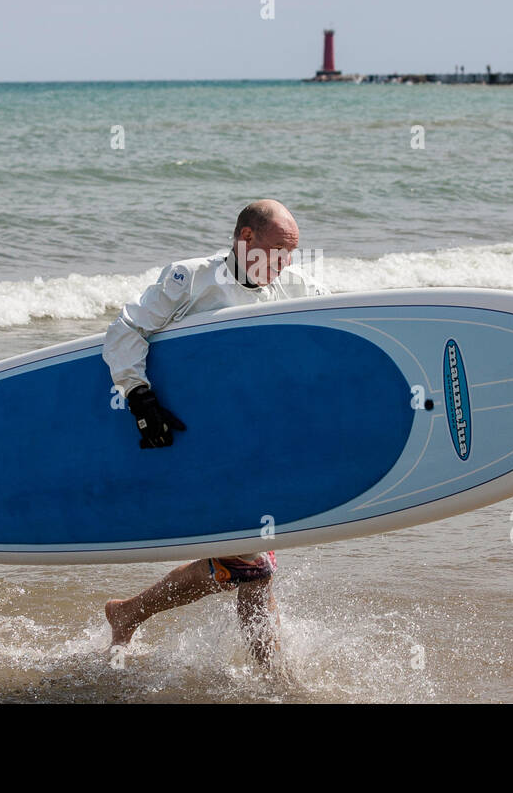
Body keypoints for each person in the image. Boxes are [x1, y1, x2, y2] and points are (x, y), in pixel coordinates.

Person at [101, 199, 327, 675]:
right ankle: (273, 679)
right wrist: (140, 399)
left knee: (248, 565)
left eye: (291, 255)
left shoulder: (297, 287)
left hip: (255, 447)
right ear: (245, 238)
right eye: (275, 253)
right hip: (196, 445)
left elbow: (328, 344)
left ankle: (128, 614)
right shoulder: (190, 279)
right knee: (251, 565)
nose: (284, 266)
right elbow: (127, 328)